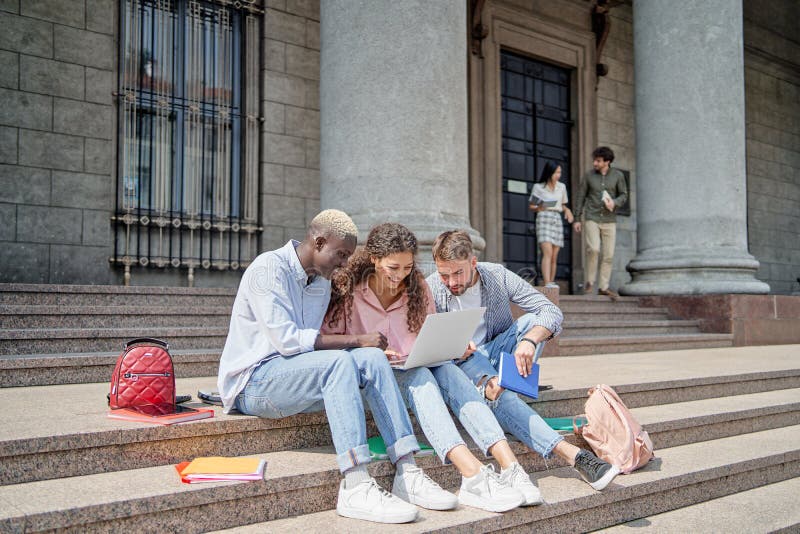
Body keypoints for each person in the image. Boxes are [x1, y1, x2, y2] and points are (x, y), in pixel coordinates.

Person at [218, 209, 435, 524]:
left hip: (296, 374)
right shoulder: (268, 269)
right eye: (341, 254)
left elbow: (313, 350)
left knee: (372, 358)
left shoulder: (320, 280)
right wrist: (357, 339)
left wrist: (363, 348)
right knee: (341, 359)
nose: (346, 263)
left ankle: (407, 470)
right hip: (254, 383)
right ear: (318, 242)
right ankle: (356, 483)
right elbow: (289, 342)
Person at [322, 222, 535, 513]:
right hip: (371, 381)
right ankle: (472, 474)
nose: (400, 276)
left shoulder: (417, 287)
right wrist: (365, 347)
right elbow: (329, 346)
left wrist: (451, 346)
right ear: (373, 258)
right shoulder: (348, 289)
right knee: (421, 375)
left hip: (415, 367)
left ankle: (511, 468)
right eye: (393, 268)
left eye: (408, 268)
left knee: (448, 370)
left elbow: (428, 335)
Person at [426, 230, 621, 492]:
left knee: (532, 323)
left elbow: (551, 311)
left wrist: (529, 341)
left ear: (473, 263)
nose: (450, 281)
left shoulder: (496, 275)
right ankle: (574, 456)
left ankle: (502, 388)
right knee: (499, 396)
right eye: (444, 274)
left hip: (498, 352)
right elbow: (421, 342)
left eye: (457, 273)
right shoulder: (431, 287)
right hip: (463, 363)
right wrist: (451, 348)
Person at [572, 146, 628, 300]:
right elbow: (580, 197)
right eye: (594, 160)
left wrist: (615, 203)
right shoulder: (589, 176)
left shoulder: (617, 176)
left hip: (609, 219)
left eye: (598, 161)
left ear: (607, 162)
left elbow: (624, 194)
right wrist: (577, 218)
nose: (594, 163)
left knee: (608, 255)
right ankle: (590, 282)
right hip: (592, 217)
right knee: (594, 249)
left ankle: (603, 287)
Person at [529, 161, 574, 288]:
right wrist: (542, 205)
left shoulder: (562, 187)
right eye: (556, 172)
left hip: (556, 219)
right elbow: (532, 206)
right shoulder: (539, 187)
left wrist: (567, 211)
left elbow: (563, 204)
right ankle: (547, 282)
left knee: (554, 256)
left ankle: (551, 282)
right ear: (549, 173)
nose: (558, 175)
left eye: (559, 172)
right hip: (543, 217)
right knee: (547, 252)